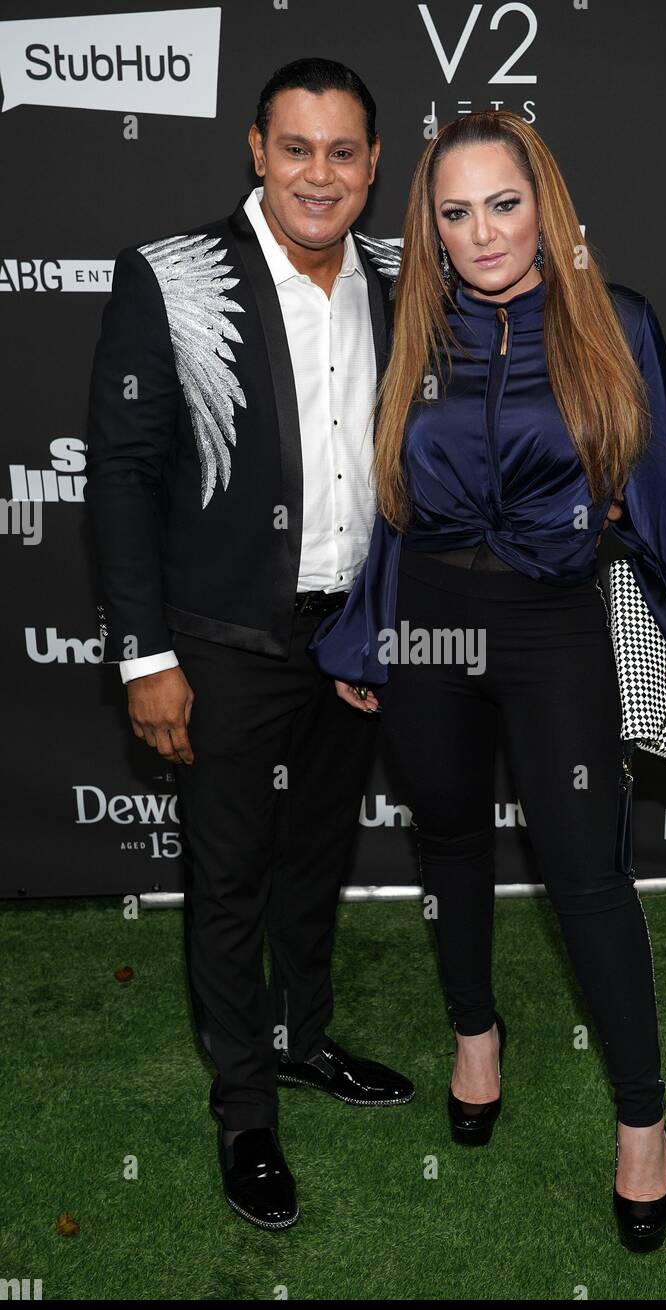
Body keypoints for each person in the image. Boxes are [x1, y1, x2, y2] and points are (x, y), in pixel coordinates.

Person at [309, 109, 666, 1252]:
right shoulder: (411, 326)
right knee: (448, 839)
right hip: (430, 626)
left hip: (554, 624)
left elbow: (663, 488)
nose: (484, 234)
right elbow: (390, 506)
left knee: (587, 874)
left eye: (503, 204)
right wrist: (365, 636)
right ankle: (475, 1034)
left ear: (544, 204)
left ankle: (642, 1121)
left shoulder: (617, 321)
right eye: (456, 214)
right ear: (432, 228)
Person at [86, 58, 415, 1235]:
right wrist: (145, 657)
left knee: (314, 858)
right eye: (296, 148)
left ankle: (300, 1039)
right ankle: (244, 1112)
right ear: (256, 151)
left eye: (342, 152)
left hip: (350, 638)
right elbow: (122, 480)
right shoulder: (172, 277)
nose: (318, 174)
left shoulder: (401, 278)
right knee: (228, 879)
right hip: (222, 642)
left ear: (374, 166)